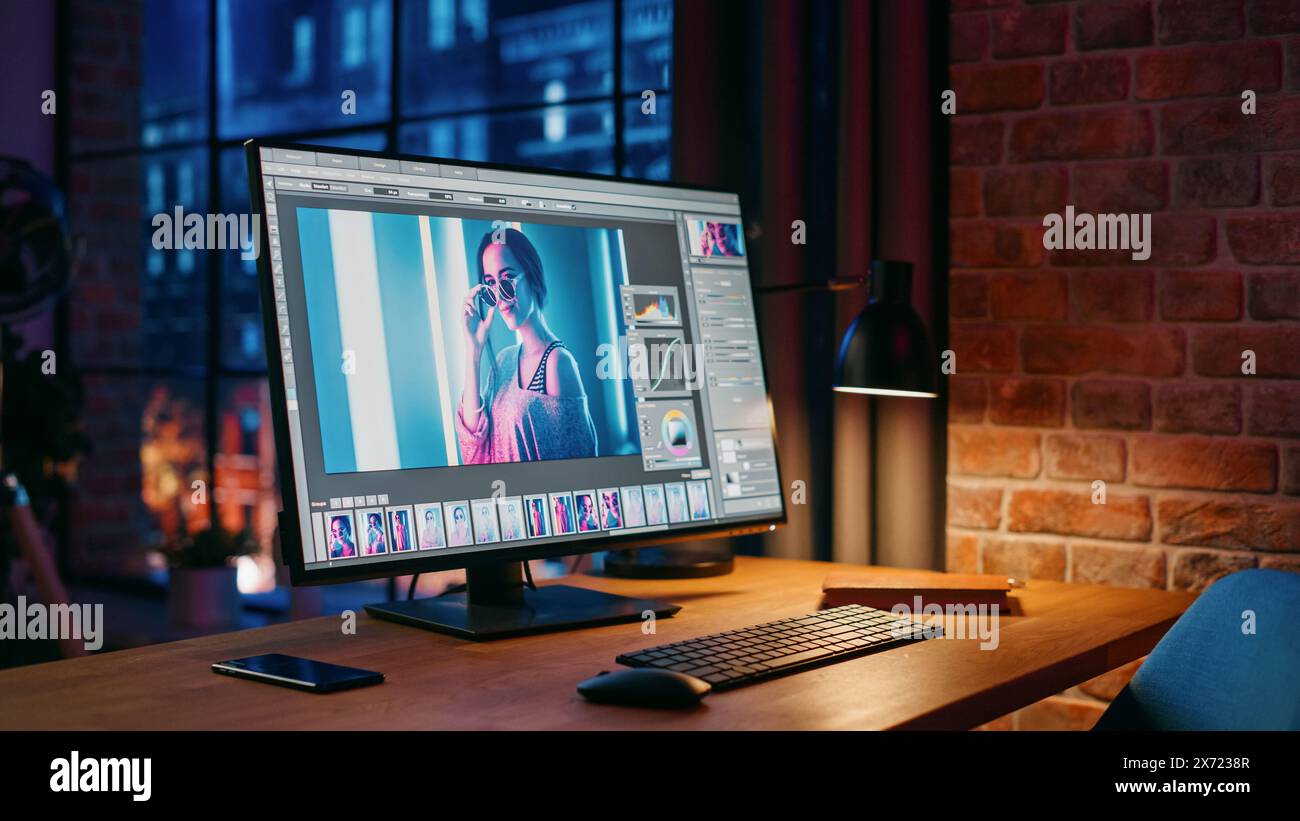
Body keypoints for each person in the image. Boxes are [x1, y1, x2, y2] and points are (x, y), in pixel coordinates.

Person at [458, 228, 597, 464]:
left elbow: (581, 467)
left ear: (531, 275)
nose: (500, 296)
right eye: (491, 284)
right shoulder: (504, 361)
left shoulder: (557, 363)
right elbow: (474, 448)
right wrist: (474, 351)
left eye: (507, 280)